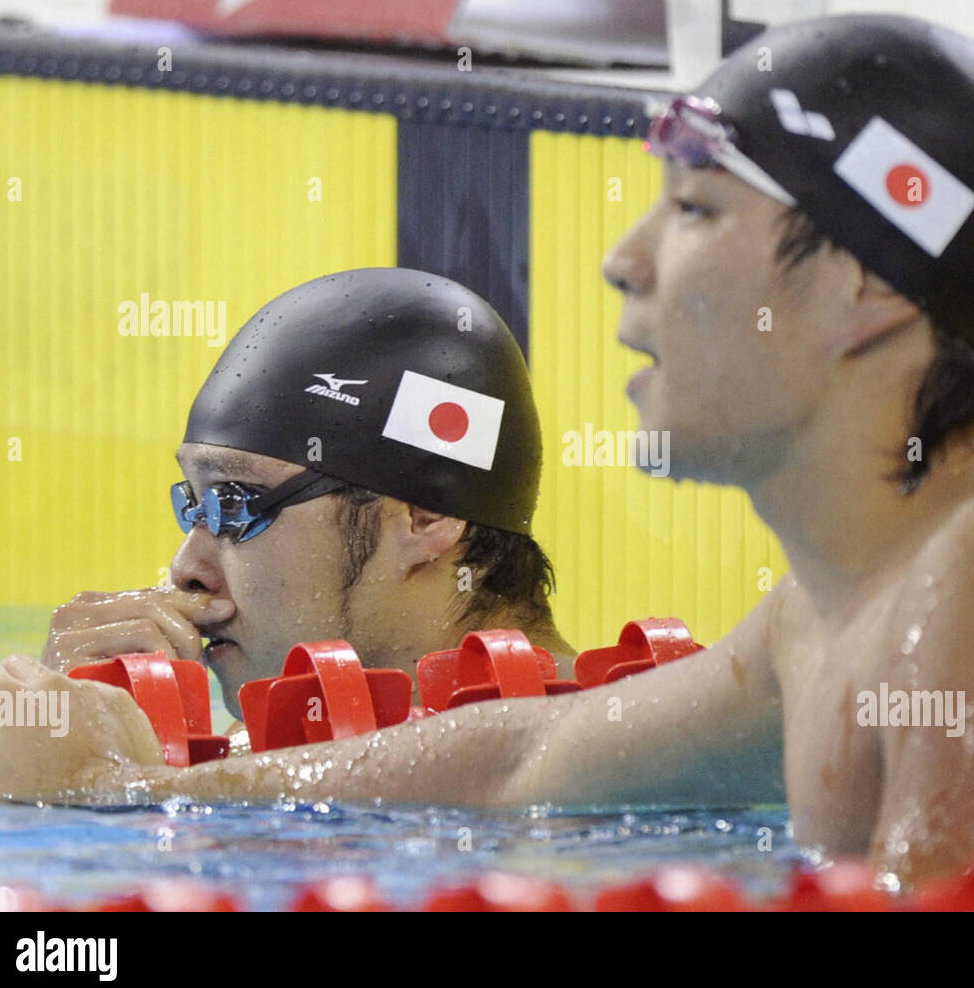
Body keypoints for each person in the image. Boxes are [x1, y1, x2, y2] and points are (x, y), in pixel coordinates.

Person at [0, 15, 974, 885]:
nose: (625, 259)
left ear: (864, 292)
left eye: (695, 209)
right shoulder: (836, 613)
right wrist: (126, 784)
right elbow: (525, 757)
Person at [39, 267, 573, 725]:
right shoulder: (288, 754)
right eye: (196, 507)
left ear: (425, 516)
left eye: (239, 501)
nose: (186, 570)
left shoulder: (611, 756)